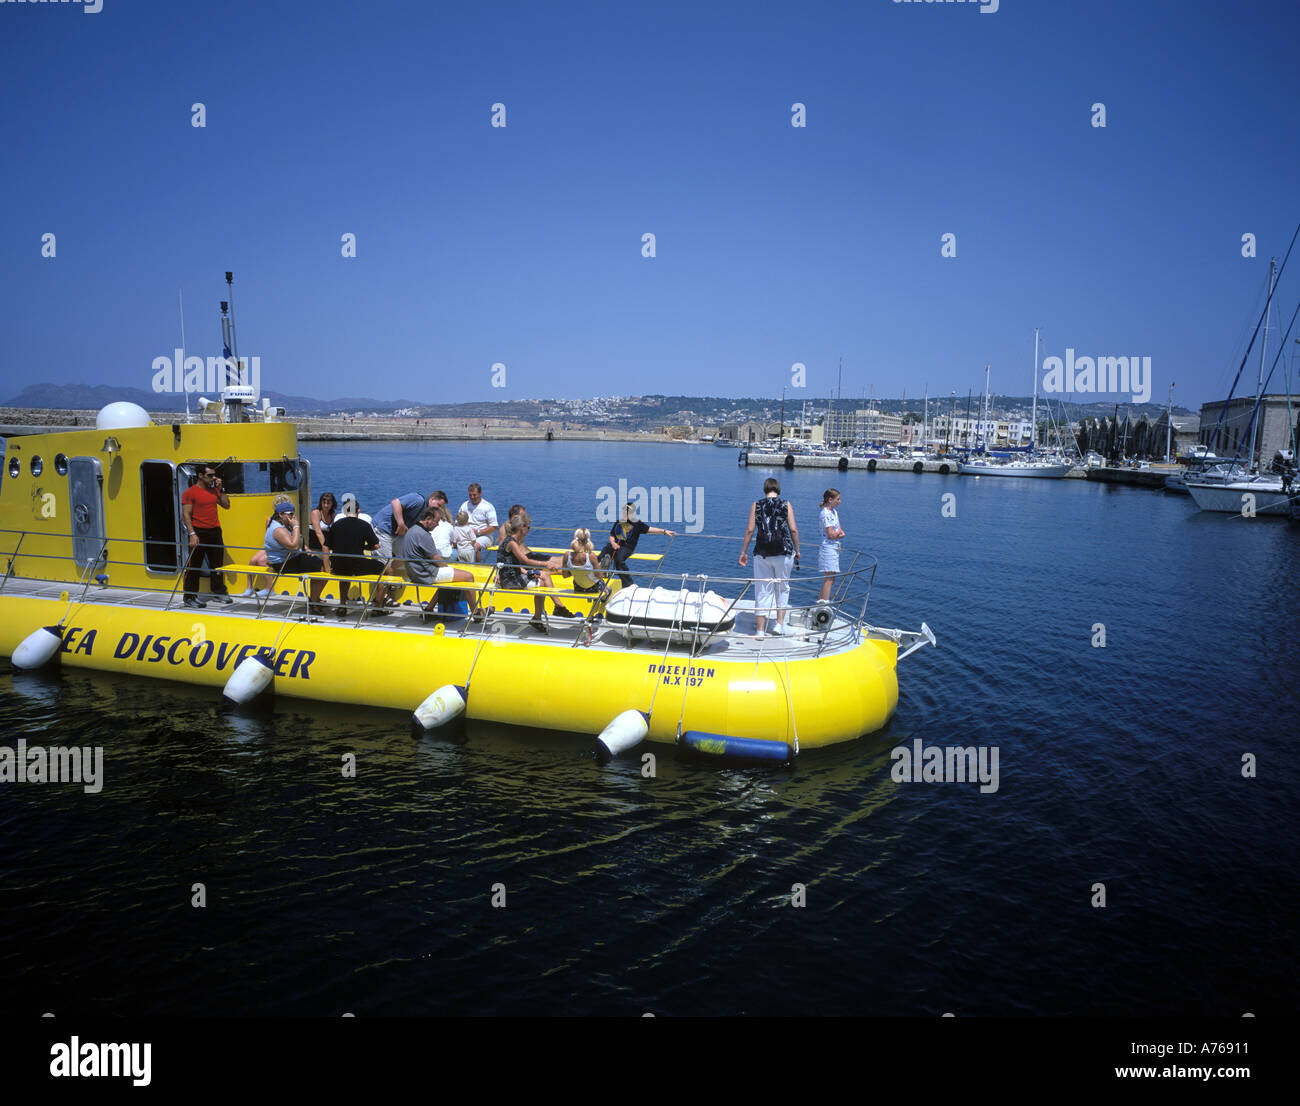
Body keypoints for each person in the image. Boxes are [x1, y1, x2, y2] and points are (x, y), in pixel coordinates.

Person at [738, 477, 800, 638]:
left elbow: (750, 530)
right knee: (782, 587)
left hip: (762, 552)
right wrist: (797, 549)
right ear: (778, 490)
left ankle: (760, 630)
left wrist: (743, 551)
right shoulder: (785, 504)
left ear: (765, 489)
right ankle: (779, 625)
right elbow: (793, 530)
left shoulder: (756, 505)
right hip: (783, 551)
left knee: (762, 590)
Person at [497, 512, 575, 632]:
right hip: (510, 581)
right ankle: (557, 607)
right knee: (544, 578)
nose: (529, 530)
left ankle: (542, 616)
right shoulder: (512, 543)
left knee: (543, 578)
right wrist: (546, 564)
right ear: (521, 528)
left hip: (511, 577)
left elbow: (513, 565)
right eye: (528, 527)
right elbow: (525, 560)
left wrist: (527, 573)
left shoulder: (511, 541)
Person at [403, 507, 475, 615]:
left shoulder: (412, 530)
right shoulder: (423, 535)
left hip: (414, 573)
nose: (437, 525)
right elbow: (436, 559)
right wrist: (450, 569)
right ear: (428, 519)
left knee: (449, 579)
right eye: (436, 522)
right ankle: (477, 612)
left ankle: (429, 608)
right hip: (426, 574)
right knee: (469, 577)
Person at [326, 493, 388, 616]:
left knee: (344, 575)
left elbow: (328, 545)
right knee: (386, 570)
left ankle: (342, 606)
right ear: (358, 511)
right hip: (358, 566)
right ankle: (378, 607)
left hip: (338, 565)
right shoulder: (364, 525)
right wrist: (364, 546)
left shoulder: (336, 525)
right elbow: (376, 546)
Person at [264, 498, 328, 616]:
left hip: (289, 558)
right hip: (284, 563)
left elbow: (298, 542)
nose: (293, 517)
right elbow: (293, 546)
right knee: (321, 567)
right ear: (280, 515)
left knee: (322, 564)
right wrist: (296, 526)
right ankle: (314, 603)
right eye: (290, 514)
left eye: (294, 514)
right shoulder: (278, 529)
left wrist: (305, 549)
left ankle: (314, 598)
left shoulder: (281, 525)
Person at [181, 464, 233, 608]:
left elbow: (226, 505)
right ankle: (189, 597)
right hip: (198, 531)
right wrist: (192, 533)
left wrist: (221, 488)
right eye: (210, 475)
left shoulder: (214, 490)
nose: (213, 478)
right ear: (200, 475)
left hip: (215, 531)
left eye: (214, 475)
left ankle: (218, 591)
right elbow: (186, 514)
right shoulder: (190, 493)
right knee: (194, 565)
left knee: (217, 564)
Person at [600, 503, 675, 590]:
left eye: (627, 512)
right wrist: (613, 543)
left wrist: (665, 531)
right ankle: (597, 578)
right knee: (601, 556)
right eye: (624, 512)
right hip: (614, 544)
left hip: (627, 547)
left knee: (619, 560)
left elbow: (650, 529)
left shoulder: (637, 524)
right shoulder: (619, 521)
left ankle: (628, 584)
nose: (624, 514)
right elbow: (612, 536)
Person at [371, 491, 440, 566]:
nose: (438, 508)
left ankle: (390, 571)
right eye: (438, 505)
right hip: (383, 529)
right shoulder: (418, 499)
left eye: (441, 507)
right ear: (432, 499)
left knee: (407, 555)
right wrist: (401, 523)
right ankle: (383, 571)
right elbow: (395, 502)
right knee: (383, 563)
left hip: (397, 534)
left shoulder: (425, 511)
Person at [817, 488, 845, 603]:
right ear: (830, 500)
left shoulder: (834, 512)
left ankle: (819, 603)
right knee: (828, 579)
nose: (840, 501)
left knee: (831, 579)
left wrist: (837, 534)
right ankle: (824, 605)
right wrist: (837, 534)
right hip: (828, 548)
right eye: (838, 499)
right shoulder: (825, 513)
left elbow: (840, 532)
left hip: (834, 548)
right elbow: (831, 535)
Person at [458, 483, 499, 554]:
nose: (472, 497)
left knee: (474, 546)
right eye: (470, 495)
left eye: (474, 495)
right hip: (466, 534)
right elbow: (458, 521)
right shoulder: (465, 505)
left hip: (484, 536)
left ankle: (475, 564)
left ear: (480, 494)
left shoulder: (488, 507)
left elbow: (494, 527)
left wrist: (478, 532)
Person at [563, 528, 602, 595]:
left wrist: (577, 572)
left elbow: (565, 575)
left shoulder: (567, 555)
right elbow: (599, 576)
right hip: (593, 587)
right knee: (608, 589)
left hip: (578, 587)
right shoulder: (591, 556)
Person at [308, 492, 338, 572]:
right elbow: (318, 532)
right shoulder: (316, 513)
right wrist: (326, 548)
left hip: (327, 548)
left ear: (332, 504)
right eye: (324, 502)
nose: (326, 505)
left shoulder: (333, 515)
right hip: (315, 548)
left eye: (328, 503)